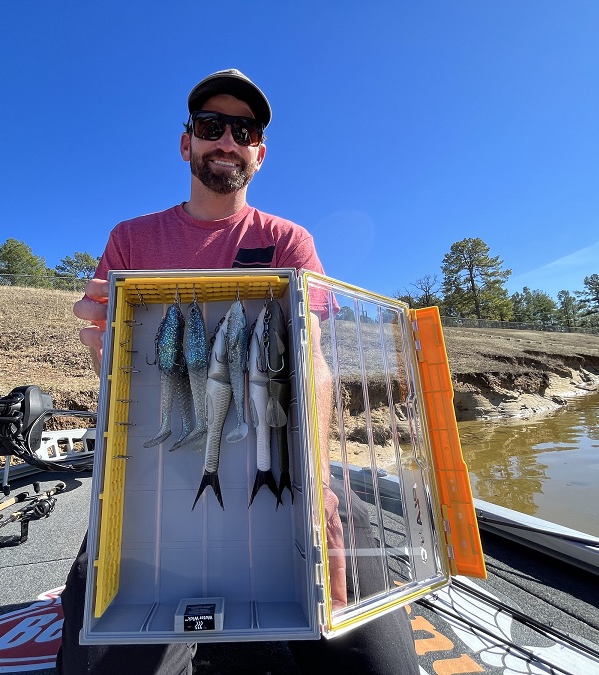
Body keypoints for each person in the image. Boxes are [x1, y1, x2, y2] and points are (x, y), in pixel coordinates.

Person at [59, 69, 418, 675]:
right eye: (211, 126)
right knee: (97, 645)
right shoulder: (131, 238)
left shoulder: (288, 242)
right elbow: (118, 366)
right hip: (150, 480)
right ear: (187, 143)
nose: (227, 140)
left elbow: (316, 368)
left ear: (260, 152)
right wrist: (99, 338)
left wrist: (316, 485)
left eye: (244, 130)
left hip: (281, 451)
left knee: (375, 656)